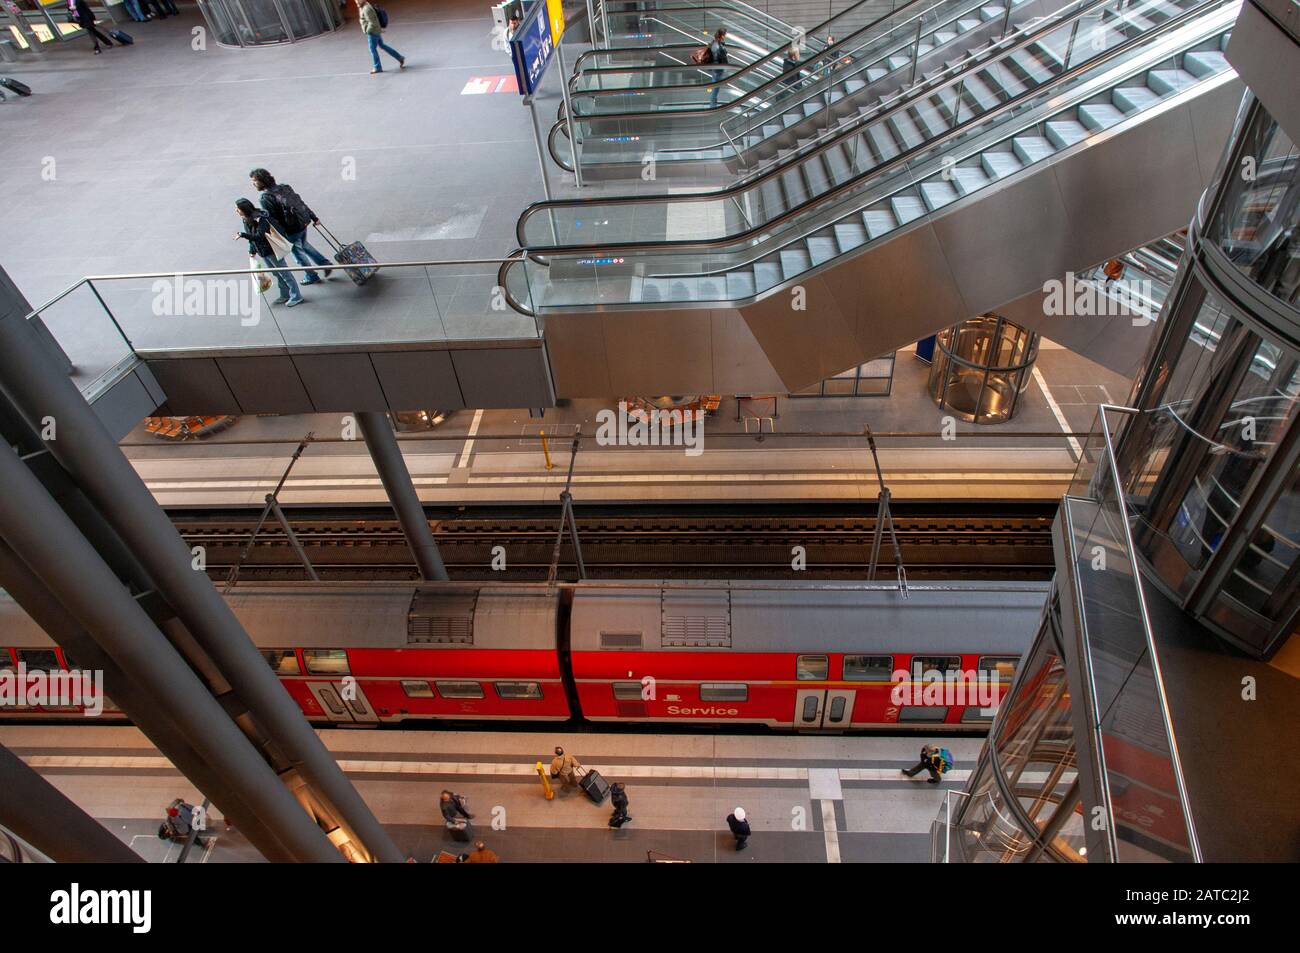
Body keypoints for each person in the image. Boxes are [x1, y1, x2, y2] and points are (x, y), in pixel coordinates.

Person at [249, 169, 334, 286]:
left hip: (290, 230)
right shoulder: (285, 187)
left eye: (254, 181)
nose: (253, 184)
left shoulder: (265, 198)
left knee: (298, 253)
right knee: (304, 245)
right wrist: (313, 217)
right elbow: (300, 203)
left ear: (262, 181)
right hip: (302, 222)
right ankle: (324, 263)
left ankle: (311, 275)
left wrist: (279, 236)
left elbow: (273, 219)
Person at [235, 198, 303, 307]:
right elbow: (252, 236)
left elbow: (259, 236)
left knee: (285, 273)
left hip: (272, 250)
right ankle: (285, 294)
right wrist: (252, 250)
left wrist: (243, 235)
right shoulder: (246, 219)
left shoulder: (261, 219)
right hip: (263, 251)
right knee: (277, 273)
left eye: (238, 209)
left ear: (244, 209)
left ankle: (296, 295)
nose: (236, 211)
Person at [357, 0, 406, 75]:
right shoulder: (364, 6)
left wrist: (368, 31)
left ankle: (377, 67)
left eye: (357, 0)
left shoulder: (366, 8)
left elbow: (372, 22)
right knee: (382, 45)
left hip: (372, 32)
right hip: (376, 30)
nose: (356, 2)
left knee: (372, 49)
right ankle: (400, 58)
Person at [707, 28, 728, 107]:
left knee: (715, 87)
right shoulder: (718, 45)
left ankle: (713, 104)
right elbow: (721, 56)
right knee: (715, 89)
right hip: (718, 68)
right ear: (722, 35)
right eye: (725, 35)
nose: (725, 36)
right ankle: (713, 105)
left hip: (715, 67)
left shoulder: (714, 43)